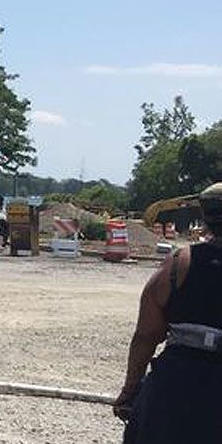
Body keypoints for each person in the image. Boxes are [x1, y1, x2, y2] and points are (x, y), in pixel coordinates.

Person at [114, 182, 222, 442]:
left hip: (175, 388)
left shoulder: (178, 264)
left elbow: (146, 336)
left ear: (205, 217)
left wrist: (130, 391)